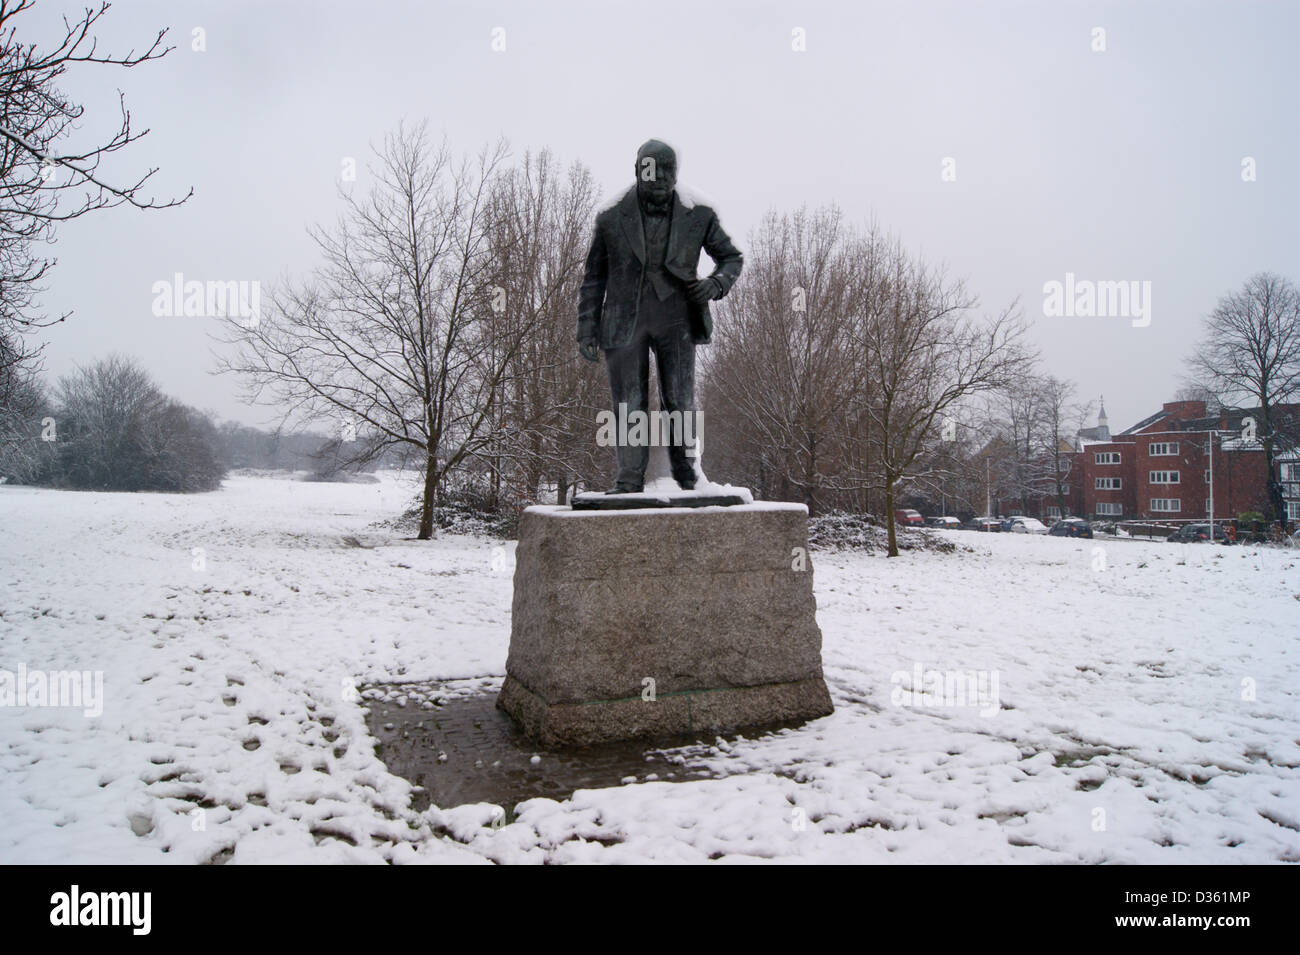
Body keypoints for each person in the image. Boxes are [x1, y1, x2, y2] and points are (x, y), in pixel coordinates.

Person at [577, 139, 743, 493]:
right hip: (624, 320)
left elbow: (731, 259)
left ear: (676, 173)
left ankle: (687, 473)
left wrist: (715, 284)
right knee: (628, 402)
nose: (660, 177)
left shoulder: (699, 214)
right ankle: (629, 478)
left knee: (680, 398)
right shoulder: (611, 217)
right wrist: (586, 329)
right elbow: (594, 278)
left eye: (668, 170)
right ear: (637, 170)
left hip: (677, 318)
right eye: (652, 169)